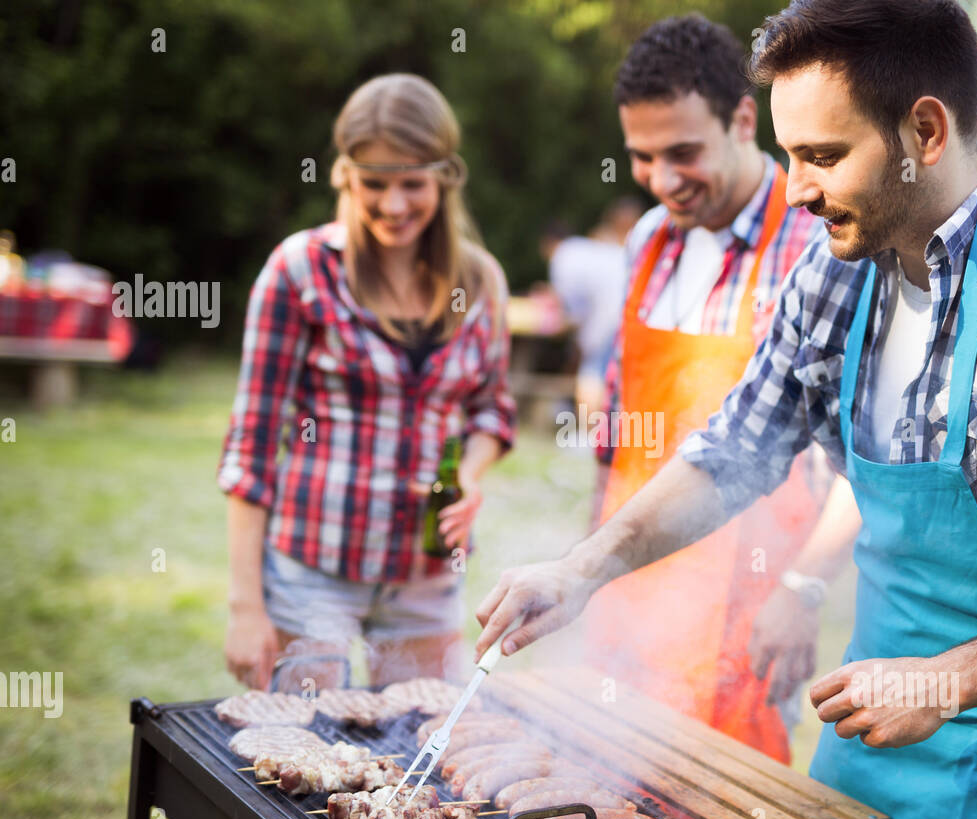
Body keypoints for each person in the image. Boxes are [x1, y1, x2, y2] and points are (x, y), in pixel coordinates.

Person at [474, 0, 977, 819]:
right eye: (791, 156)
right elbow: (732, 454)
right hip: (861, 732)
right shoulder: (836, 273)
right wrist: (584, 568)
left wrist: (946, 681)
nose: (794, 188)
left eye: (823, 157)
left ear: (926, 132)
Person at [580, 13, 841, 764]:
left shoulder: (814, 238)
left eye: (683, 152)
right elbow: (619, 419)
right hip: (631, 583)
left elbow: (857, 450)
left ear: (742, 119)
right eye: (642, 157)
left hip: (748, 599)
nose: (663, 181)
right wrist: (585, 560)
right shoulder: (647, 241)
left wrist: (802, 585)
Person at [219, 74, 515, 693]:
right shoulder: (298, 272)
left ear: (445, 176)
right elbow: (250, 448)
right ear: (344, 176)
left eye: (413, 183)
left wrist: (470, 477)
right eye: (374, 183)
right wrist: (246, 608)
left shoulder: (480, 282)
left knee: (419, 757)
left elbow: (493, 412)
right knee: (304, 757)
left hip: (427, 576)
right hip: (311, 571)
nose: (394, 204)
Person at [538, 196, 643, 411]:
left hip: (612, 310)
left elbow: (572, 314)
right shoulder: (583, 249)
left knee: (592, 372)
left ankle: (591, 435)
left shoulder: (562, 258)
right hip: (633, 304)